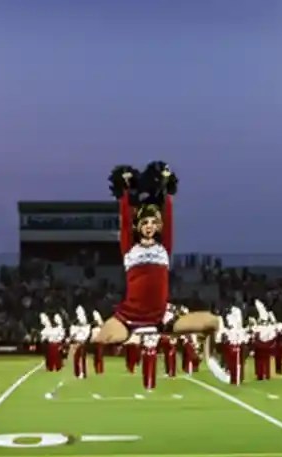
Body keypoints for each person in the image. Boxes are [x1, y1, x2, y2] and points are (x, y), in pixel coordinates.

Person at [92, 162, 229, 382]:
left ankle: (211, 359)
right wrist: (125, 193)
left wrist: (166, 191)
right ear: (138, 226)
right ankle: (65, 380)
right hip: (129, 318)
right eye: (144, 222)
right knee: (99, 341)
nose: (149, 226)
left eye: (153, 222)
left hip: (161, 318)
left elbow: (169, 215)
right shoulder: (129, 247)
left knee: (213, 322)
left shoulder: (164, 247)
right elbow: (126, 220)